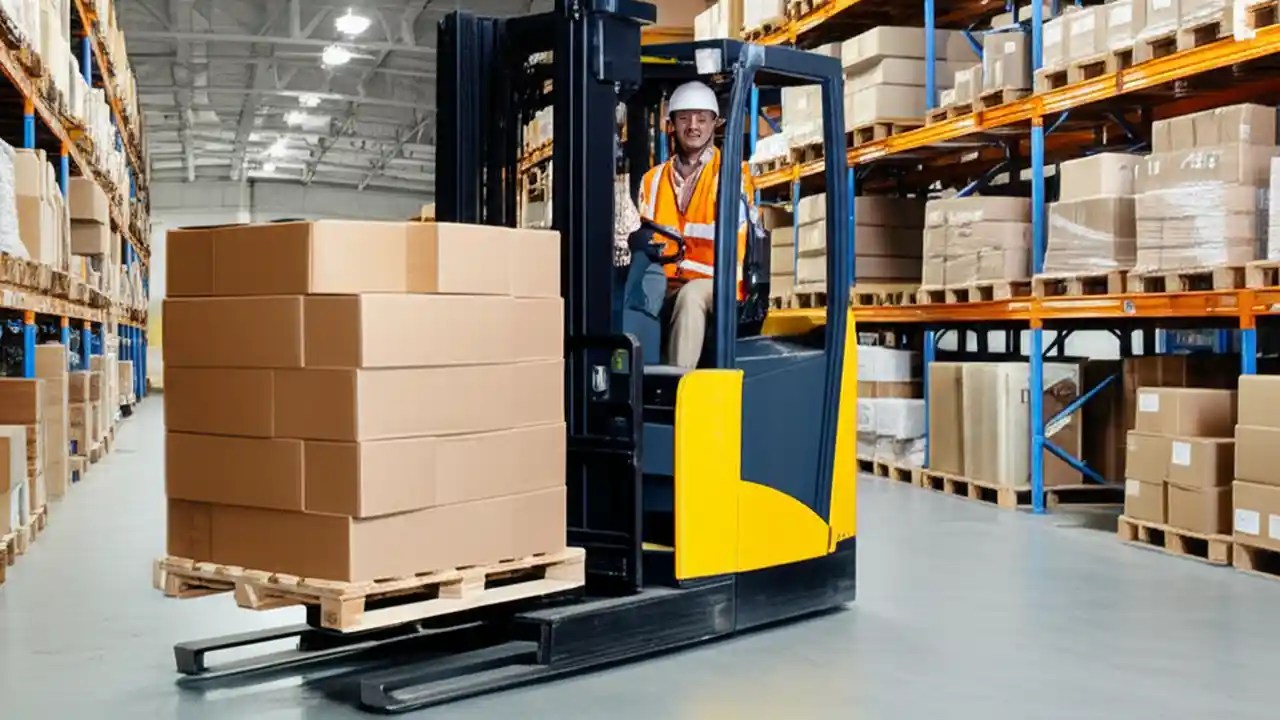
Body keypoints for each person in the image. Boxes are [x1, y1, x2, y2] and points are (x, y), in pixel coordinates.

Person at [635, 80, 759, 369]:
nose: (693, 126)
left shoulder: (730, 175)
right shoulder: (651, 180)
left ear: (715, 124)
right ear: (671, 124)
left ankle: (678, 387)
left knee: (691, 298)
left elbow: (736, 244)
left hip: (719, 284)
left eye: (702, 119)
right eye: (684, 118)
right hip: (666, 281)